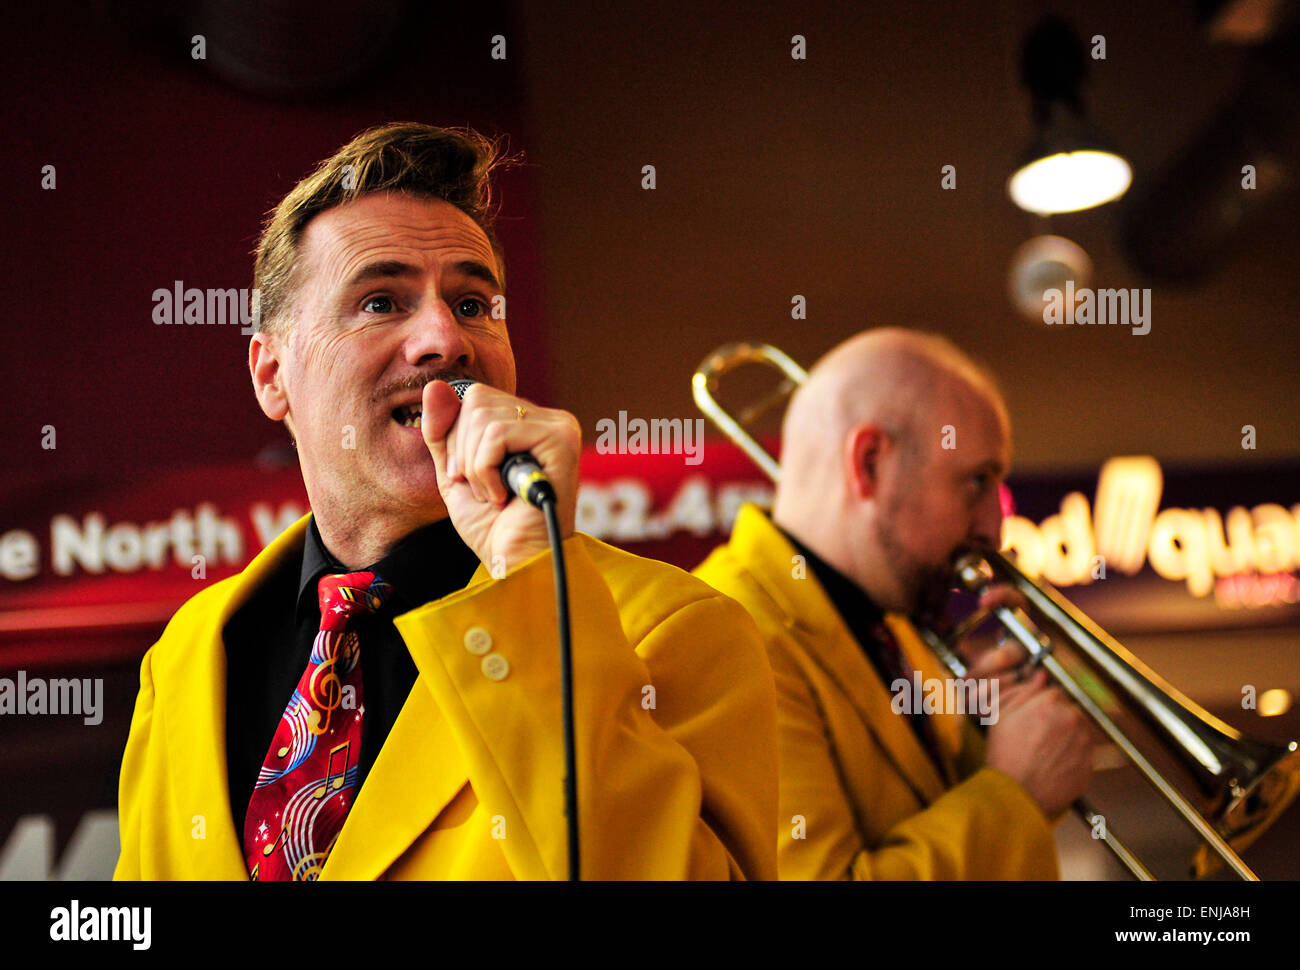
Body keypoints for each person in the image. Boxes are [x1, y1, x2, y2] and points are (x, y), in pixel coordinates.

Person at [114, 122, 777, 881]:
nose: (445, 339)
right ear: (272, 375)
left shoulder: (677, 629)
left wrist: (532, 594)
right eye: (380, 301)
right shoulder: (187, 657)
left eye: (472, 303)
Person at [693, 328, 1095, 879]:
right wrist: (1013, 795)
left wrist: (987, 741)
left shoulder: (896, 625)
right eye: (977, 481)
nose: (994, 529)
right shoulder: (724, 629)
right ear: (870, 462)